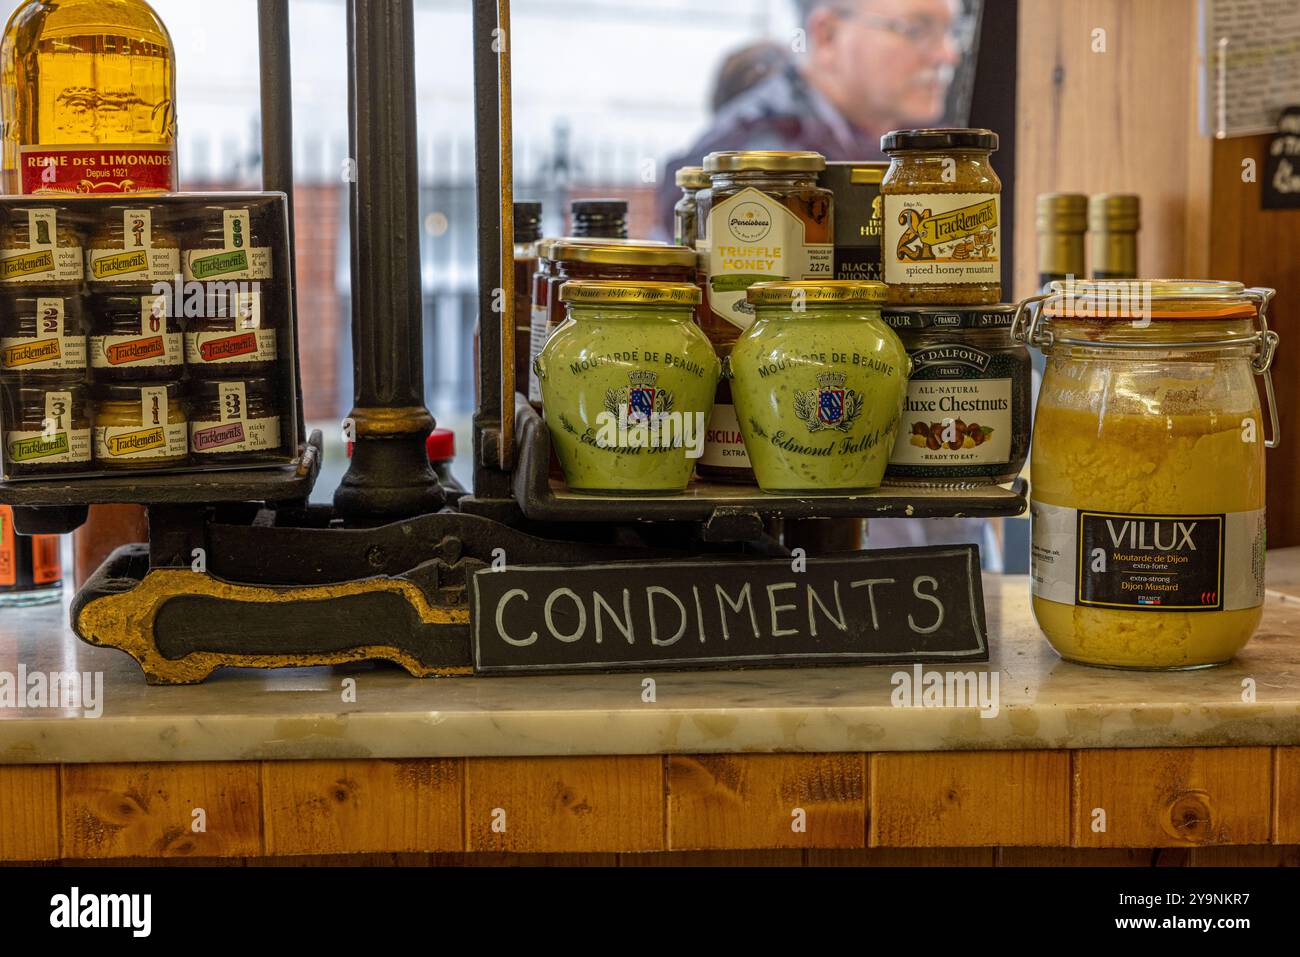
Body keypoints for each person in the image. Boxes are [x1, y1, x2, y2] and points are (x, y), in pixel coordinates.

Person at [657, 0, 965, 238]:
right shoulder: (757, 154)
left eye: (952, 32)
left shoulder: (906, 142)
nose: (947, 55)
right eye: (916, 30)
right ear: (827, 35)